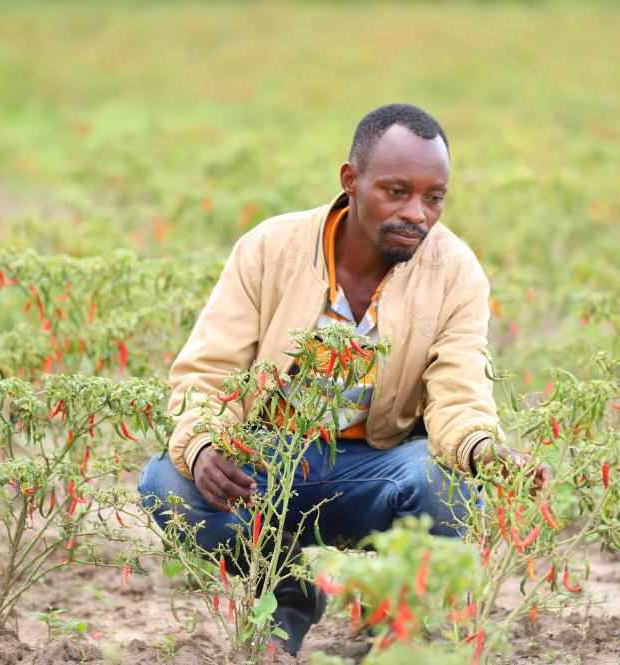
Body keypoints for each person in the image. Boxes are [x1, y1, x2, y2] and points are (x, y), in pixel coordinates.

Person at [139, 103, 544, 655]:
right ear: (351, 181)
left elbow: (461, 393)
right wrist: (206, 443)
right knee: (168, 486)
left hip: (377, 470)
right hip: (268, 465)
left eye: (434, 197)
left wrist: (485, 449)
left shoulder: (455, 272)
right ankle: (286, 592)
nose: (417, 215)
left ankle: (387, 628)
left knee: (443, 482)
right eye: (396, 192)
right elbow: (208, 373)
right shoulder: (271, 247)